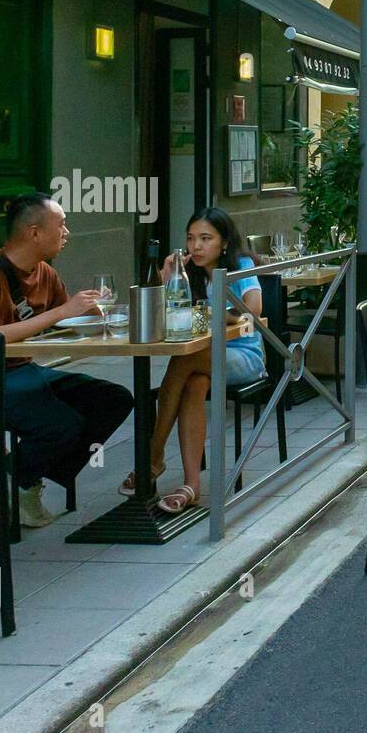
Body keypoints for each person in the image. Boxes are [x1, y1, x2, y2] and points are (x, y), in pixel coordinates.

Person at [0, 192, 134, 528]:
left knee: (114, 399)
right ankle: (12, 483)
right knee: (63, 425)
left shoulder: (44, 272)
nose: (67, 232)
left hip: (24, 369)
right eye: (60, 225)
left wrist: (93, 310)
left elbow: (62, 321)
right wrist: (64, 311)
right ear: (34, 232)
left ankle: (20, 479)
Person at [118, 208, 266, 514]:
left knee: (183, 361)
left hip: (245, 356)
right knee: (194, 386)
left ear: (224, 242)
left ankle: (154, 457)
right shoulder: (189, 274)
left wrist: (214, 315)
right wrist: (166, 276)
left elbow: (254, 310)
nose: (196, 246)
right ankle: (192, 486)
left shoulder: (240, 265)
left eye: (205, 238)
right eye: (190, 238)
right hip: (206, 360)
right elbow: (152, 312)